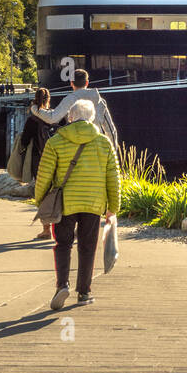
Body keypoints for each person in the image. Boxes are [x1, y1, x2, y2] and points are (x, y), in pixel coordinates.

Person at [34, 98, 120, 310]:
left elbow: (44, 175)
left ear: (70, 117)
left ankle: (62, 285)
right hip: (93, 204)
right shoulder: (103, 143)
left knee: (63, 244)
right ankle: (84, 292)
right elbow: (113, 178)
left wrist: (40, 201)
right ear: (92, 118)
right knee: (87, 247)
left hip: (64, 204)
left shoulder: (56, 141)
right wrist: (113, 208)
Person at [30, 68, 118, 153]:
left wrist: (35, 109)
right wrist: (113, 151)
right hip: (97, 148)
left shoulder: (69, 100)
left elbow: (52, 118)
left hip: (75, 149)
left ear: (71, 83)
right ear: (87, 82)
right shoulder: (101, 101)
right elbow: (110, 129)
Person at [18, 88, 58, 240]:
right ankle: (62, 227)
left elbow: (24, 142)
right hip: (56, 160)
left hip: (39, 161)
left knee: (42, 193)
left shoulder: (32, 120)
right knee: (59, 191)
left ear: (35, 99)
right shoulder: (56, 117)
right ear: (49, 99)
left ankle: (46, 229)